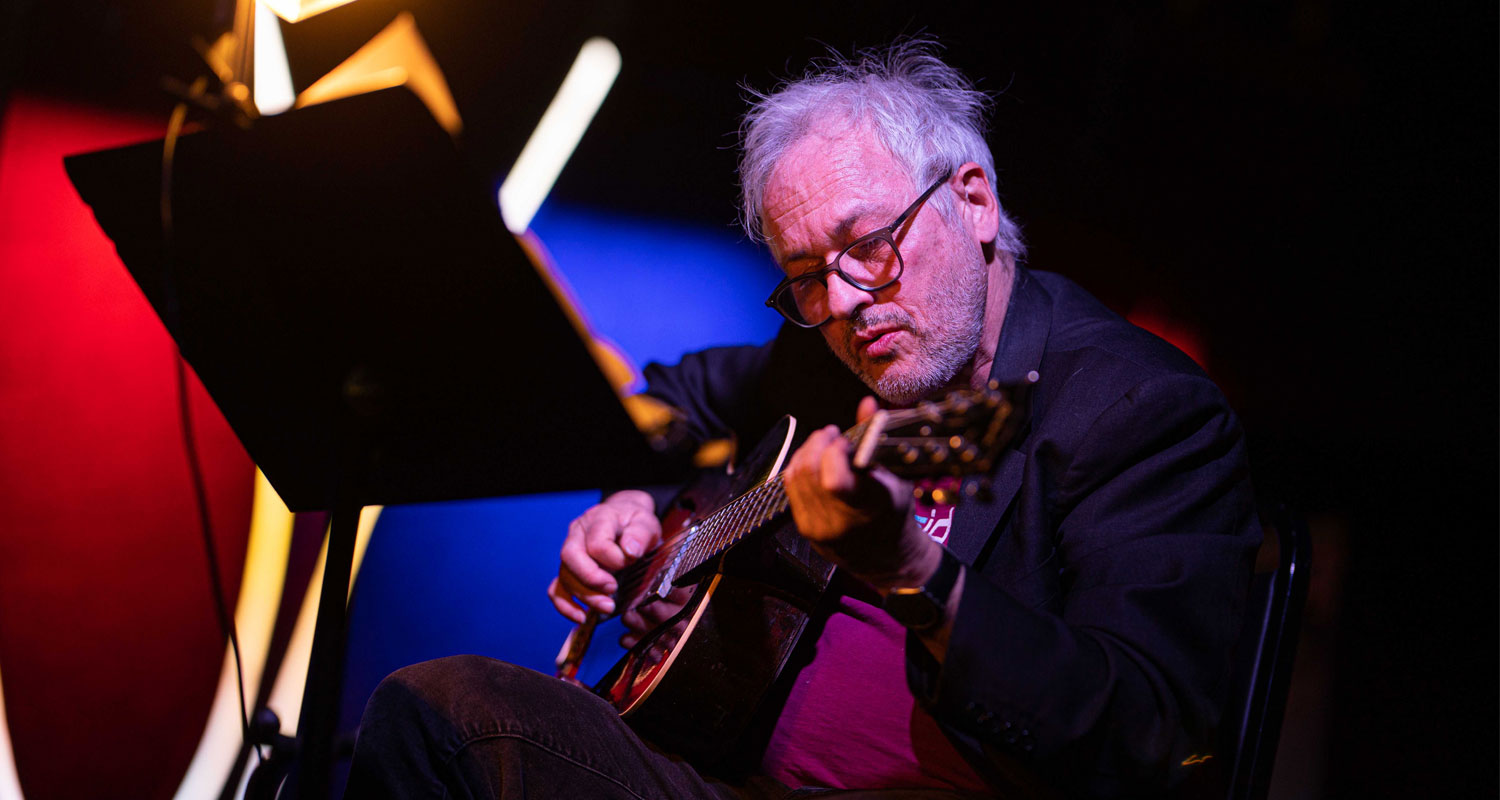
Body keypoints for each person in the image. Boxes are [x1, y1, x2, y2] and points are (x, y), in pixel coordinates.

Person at [345, 39, 1260, 799]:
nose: (849, 301)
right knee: (436, 707)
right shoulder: (821, 350)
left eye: (870, 246)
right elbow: (673, 398)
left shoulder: (1139, 410)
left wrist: (917, 576)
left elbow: (1141, 734)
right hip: (717, 762)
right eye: (810, 275)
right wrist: (635, 494)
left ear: (974, 200)